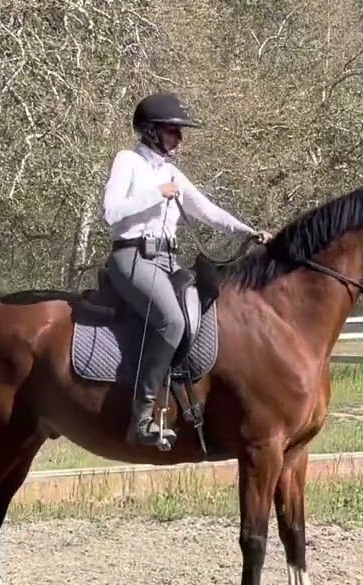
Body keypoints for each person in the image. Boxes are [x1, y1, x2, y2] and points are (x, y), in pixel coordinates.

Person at [101, 91, 272, 449]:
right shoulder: (127, 161)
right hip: (132, 257)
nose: (179, 138)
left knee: (209, 309)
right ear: (151, 131)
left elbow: (206, 210)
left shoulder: (171, 172)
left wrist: (248, 231)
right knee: (172, 321)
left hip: (167, 260)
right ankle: (142, 416)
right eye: (172, 131)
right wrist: (155, 193)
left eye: (179, 132)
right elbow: (111, 212)